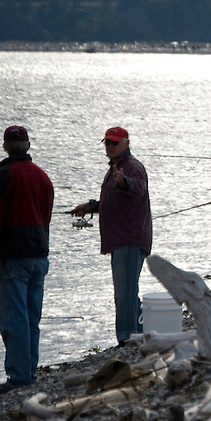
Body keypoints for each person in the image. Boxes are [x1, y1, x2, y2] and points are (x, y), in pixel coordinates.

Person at [0, 125, 54, 396]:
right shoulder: (43, 177)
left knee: (14, 319)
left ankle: (20, 377)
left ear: (5, 147)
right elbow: (46, 216)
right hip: (40, 256)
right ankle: (29, 371)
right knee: (31, 317)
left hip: (15, 259)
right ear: (28, 146)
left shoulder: (2, 176)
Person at [72, 127, 152, 345]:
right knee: (127, 291)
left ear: (126, 143)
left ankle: (127, 339)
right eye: (107, 143)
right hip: (120, 240)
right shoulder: (115, 168)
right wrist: (90, 206)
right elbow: (114, 201)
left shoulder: (132, 167)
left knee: (125, 293)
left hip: (129, 240)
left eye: (114, 143)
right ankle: (140, 335)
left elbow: (137, 188)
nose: (109, 146)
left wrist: (124, 182)